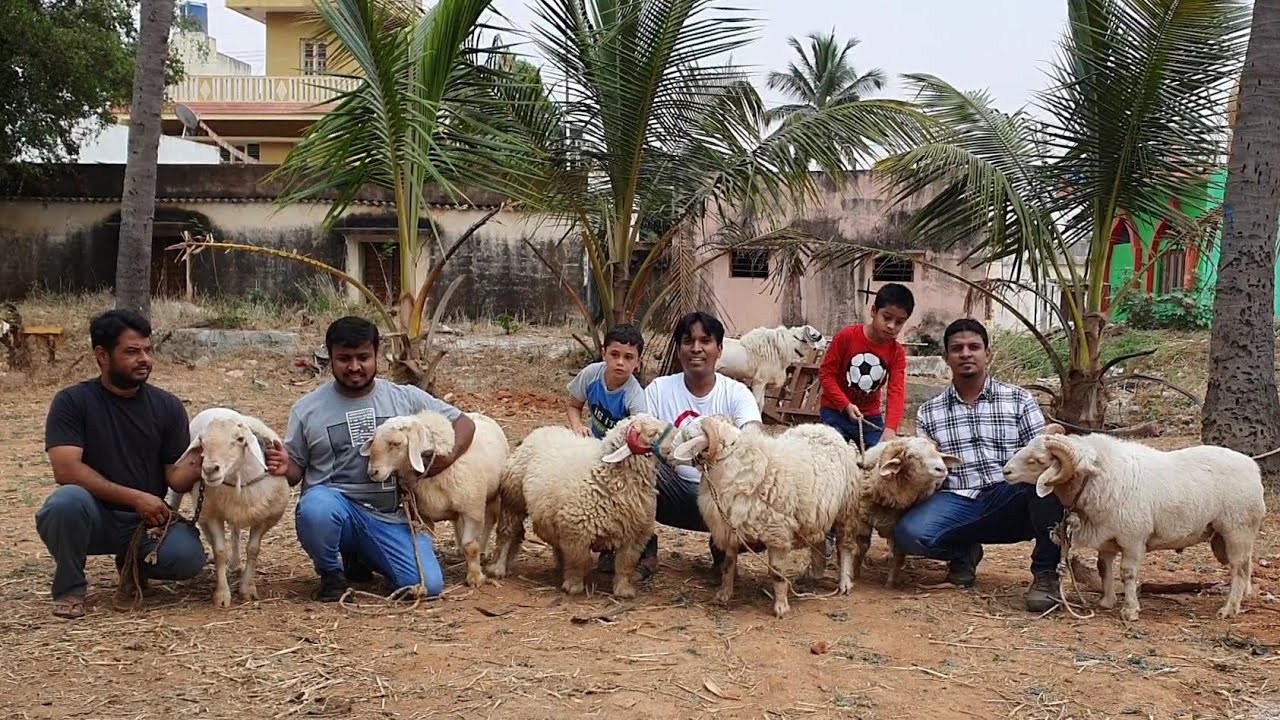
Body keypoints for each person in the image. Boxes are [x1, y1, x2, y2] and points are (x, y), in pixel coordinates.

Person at [264, 316, 475, 602]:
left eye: (363, 357)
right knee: (316, 507)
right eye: (344, 358)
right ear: (330, 358)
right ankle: (331, 574)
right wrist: (284, 466)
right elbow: (295, 470)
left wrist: (444, 459)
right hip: (335, 507)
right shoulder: (307, 410)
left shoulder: (406, 398)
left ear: (377, 355)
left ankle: (363, 555)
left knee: (428, 586)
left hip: (391, 516)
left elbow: (464, 423)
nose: (354, 367)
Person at [35, 309, 207, 619]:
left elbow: (176, 478)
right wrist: (136, 498)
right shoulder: (72, 402)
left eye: (147, 350)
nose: (144, 359)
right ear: (102, 355)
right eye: (132, 351)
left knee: (188, 559)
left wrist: (206, 460)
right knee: (65, 503)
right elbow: (66, 470)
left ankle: (132, 562)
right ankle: (70, 589)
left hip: (146, 523)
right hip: (93, 517)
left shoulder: (167, 406)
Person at [892, 318, 1064, 612]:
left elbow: (1041, 454)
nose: (966, 353)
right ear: (946, 357)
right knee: (910, 534)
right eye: (957, 348)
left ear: (988, 353)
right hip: (959, 498)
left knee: (1046, 484)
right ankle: (963, 553)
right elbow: (927, 471)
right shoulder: (929, 412)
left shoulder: (1019, 400)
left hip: (1012, 494)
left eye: (974, 347)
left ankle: (1045, 574)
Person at [637, 311, 763, 578]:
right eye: (687, 341)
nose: (696, 349)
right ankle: (641, 549)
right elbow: (639, 434)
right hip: (675, 494)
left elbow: (753, 437)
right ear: (679, 349)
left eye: (705, 341)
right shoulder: (658, 390)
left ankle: (724, 548)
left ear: (719, 349)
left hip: (725, 498)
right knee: (636, 468)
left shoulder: (737, 393)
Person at [818, 282, 914, 451]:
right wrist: (845, 404)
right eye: (887, 317)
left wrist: (890, 429)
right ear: (873, 311)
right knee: (831, 456)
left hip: (869, 416)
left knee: (882, 460)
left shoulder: (897, 353)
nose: (892, 326)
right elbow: (826, 375)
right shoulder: (846, 337)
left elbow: (896, 391)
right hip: (835, 411)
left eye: (899, 322)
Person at [565, 323, 647, 438]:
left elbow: (638, 433)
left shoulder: (636, 397)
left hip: (617, 448)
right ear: (604, 354)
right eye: (614, 354)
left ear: (638, 361)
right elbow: (574, 406)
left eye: (628, 357)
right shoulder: (591, 374)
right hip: (592, 442)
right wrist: (578, 426)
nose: (620, 362)